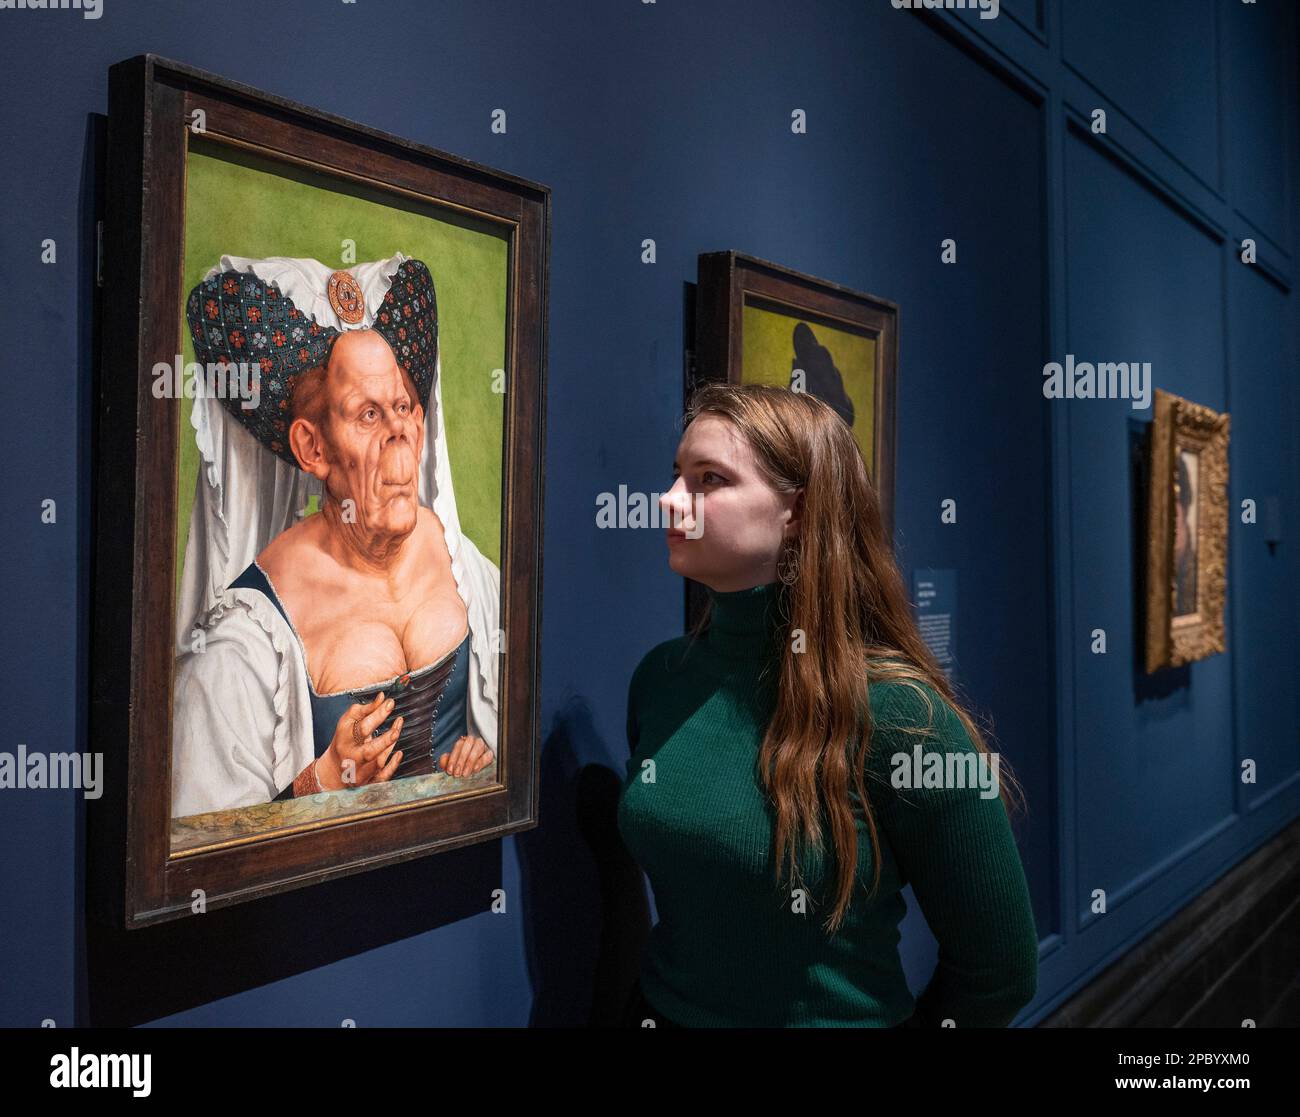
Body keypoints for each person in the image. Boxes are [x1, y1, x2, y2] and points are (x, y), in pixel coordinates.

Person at [617, 382, 1039, 1027]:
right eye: (676, 475)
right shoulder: (662, 679)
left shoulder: (905, 719)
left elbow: (999, 972)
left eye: (709, 480)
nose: (670, 502)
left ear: (799, 510)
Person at [171, 255, 499, 817]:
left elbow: (508, 737)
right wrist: (321, 778)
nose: (398, 433)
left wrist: (485, 761)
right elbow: (203, 841)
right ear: (312, 449)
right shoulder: (246, 637)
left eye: (402, 407)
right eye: (368, 415)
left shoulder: (467, 569)